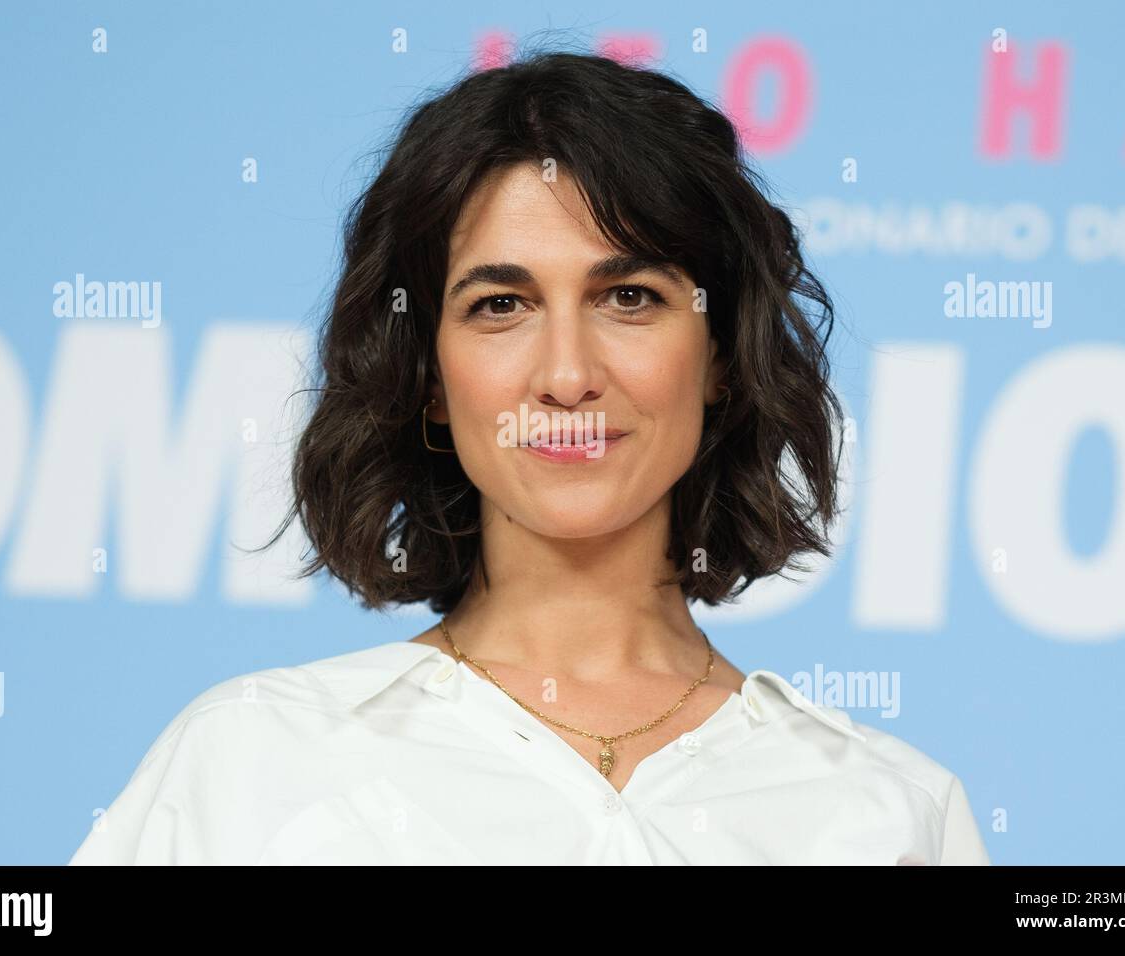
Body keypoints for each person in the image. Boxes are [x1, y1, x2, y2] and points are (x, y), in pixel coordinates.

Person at [70, 48, 990, 865]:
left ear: (720, 355)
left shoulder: (886, 812)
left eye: (629, 297)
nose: (567, 376)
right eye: (500, 306)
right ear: (428, 377)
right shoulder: (251, 761)